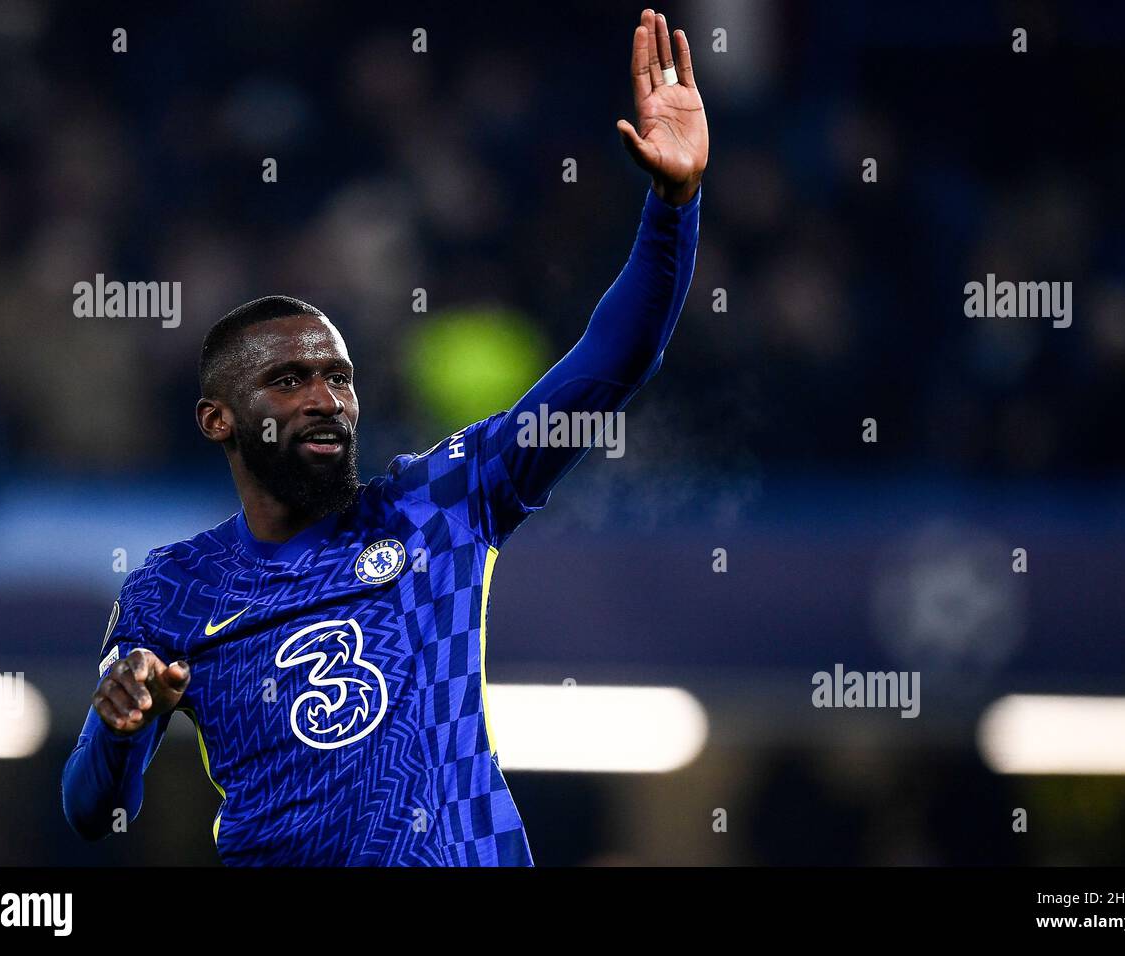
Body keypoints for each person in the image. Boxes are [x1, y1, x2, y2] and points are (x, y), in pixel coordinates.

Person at [61, 8, 707, 865]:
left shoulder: (441, 502)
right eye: (288, 381)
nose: (326, 398)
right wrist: (116, 725)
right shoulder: (174, 592)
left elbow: (614, 359)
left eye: (340, 377)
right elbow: (91, 810)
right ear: (218, 419)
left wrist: (673, 205)